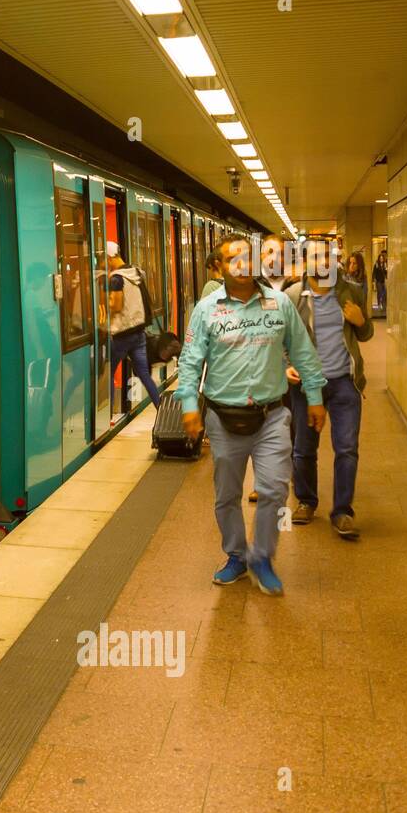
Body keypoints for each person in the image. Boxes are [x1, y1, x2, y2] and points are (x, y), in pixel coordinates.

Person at [177, 233, 326, 596]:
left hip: (272, 415)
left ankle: (262, 556)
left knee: (274, 489)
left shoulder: (279, 304)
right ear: (220, 266)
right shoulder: (207, 309)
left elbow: (302, 351)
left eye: (248, 258)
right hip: (224, 419)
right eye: (233, 260)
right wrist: (188, 405)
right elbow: (190, 361)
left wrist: (315, 394)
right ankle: (236, 556)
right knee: (226, 495)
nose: (242, 266)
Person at [283, 253, 373, 538]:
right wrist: (287, 365)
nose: (324, 264)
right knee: (304, 448)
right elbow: (279, 339)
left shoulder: (351, 292)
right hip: (307, 384)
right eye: (317, 258)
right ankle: (306, 502)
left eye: (329, 258)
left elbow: (366, 334)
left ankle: (343, 511)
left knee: (347, 448)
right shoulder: (292, 296)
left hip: (345, 383)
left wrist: (359, 322)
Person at [106, 240, 161, 413]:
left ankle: (108, 417)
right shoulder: (135, 272)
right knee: (144, 375)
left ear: (109, 258)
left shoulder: (116, 278)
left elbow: (116, 305)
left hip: (122, 334)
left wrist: (103, 302)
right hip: (139, 332)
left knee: (108, 373)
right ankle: (161, 408)